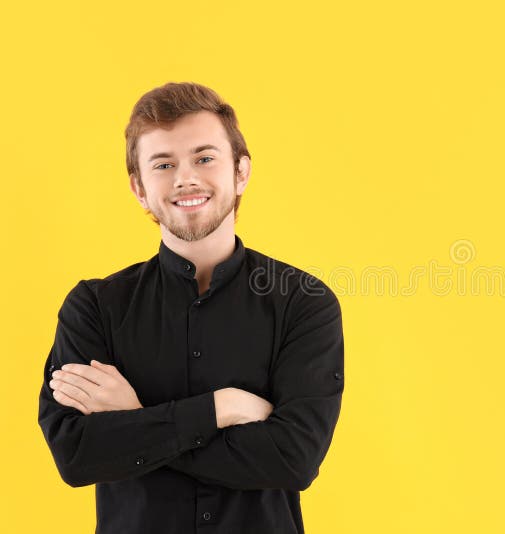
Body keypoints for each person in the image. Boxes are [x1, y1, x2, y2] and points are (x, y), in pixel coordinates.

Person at [37, 81, 345, 534]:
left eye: (204, 158)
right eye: (164, 164)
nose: (186, 178)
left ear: (241, 172)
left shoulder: (304, 303)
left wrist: (135, 420)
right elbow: (76, 456)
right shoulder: (94, 307)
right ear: (139, 188)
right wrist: (220, 409)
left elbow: (293, 460)